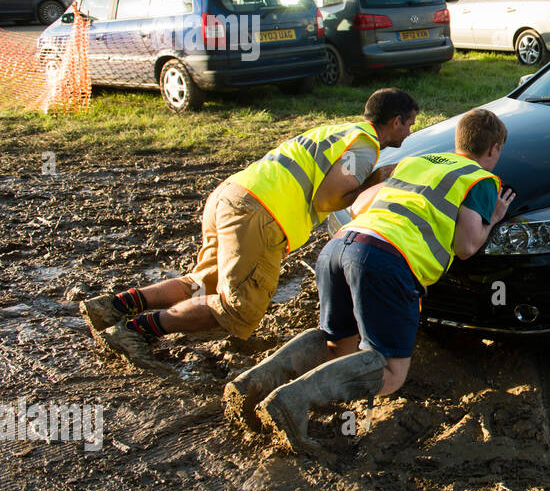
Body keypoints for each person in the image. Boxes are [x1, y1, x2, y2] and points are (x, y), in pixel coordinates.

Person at [224, 109, 515, 458]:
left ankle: (253, 384)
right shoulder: (479, 179)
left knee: (338, 342)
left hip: (341, 245)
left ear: (458, 140)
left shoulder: (416, 162)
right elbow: (466, 246)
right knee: (391, 371)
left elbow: (360, 203)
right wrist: (493, 219)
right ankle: (290, 401)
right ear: (494, 149)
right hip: (386, 260)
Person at [82, 89, 420, 369]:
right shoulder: (364, 146)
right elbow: (329, 198)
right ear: (396, 121)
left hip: (232, 195)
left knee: (204, 285)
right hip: (260, 213)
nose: (409, 133)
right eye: (410, 124)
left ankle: (112, 307)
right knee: (239, 309)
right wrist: (377, 183)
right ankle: (135, 331)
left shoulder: (340, 131)